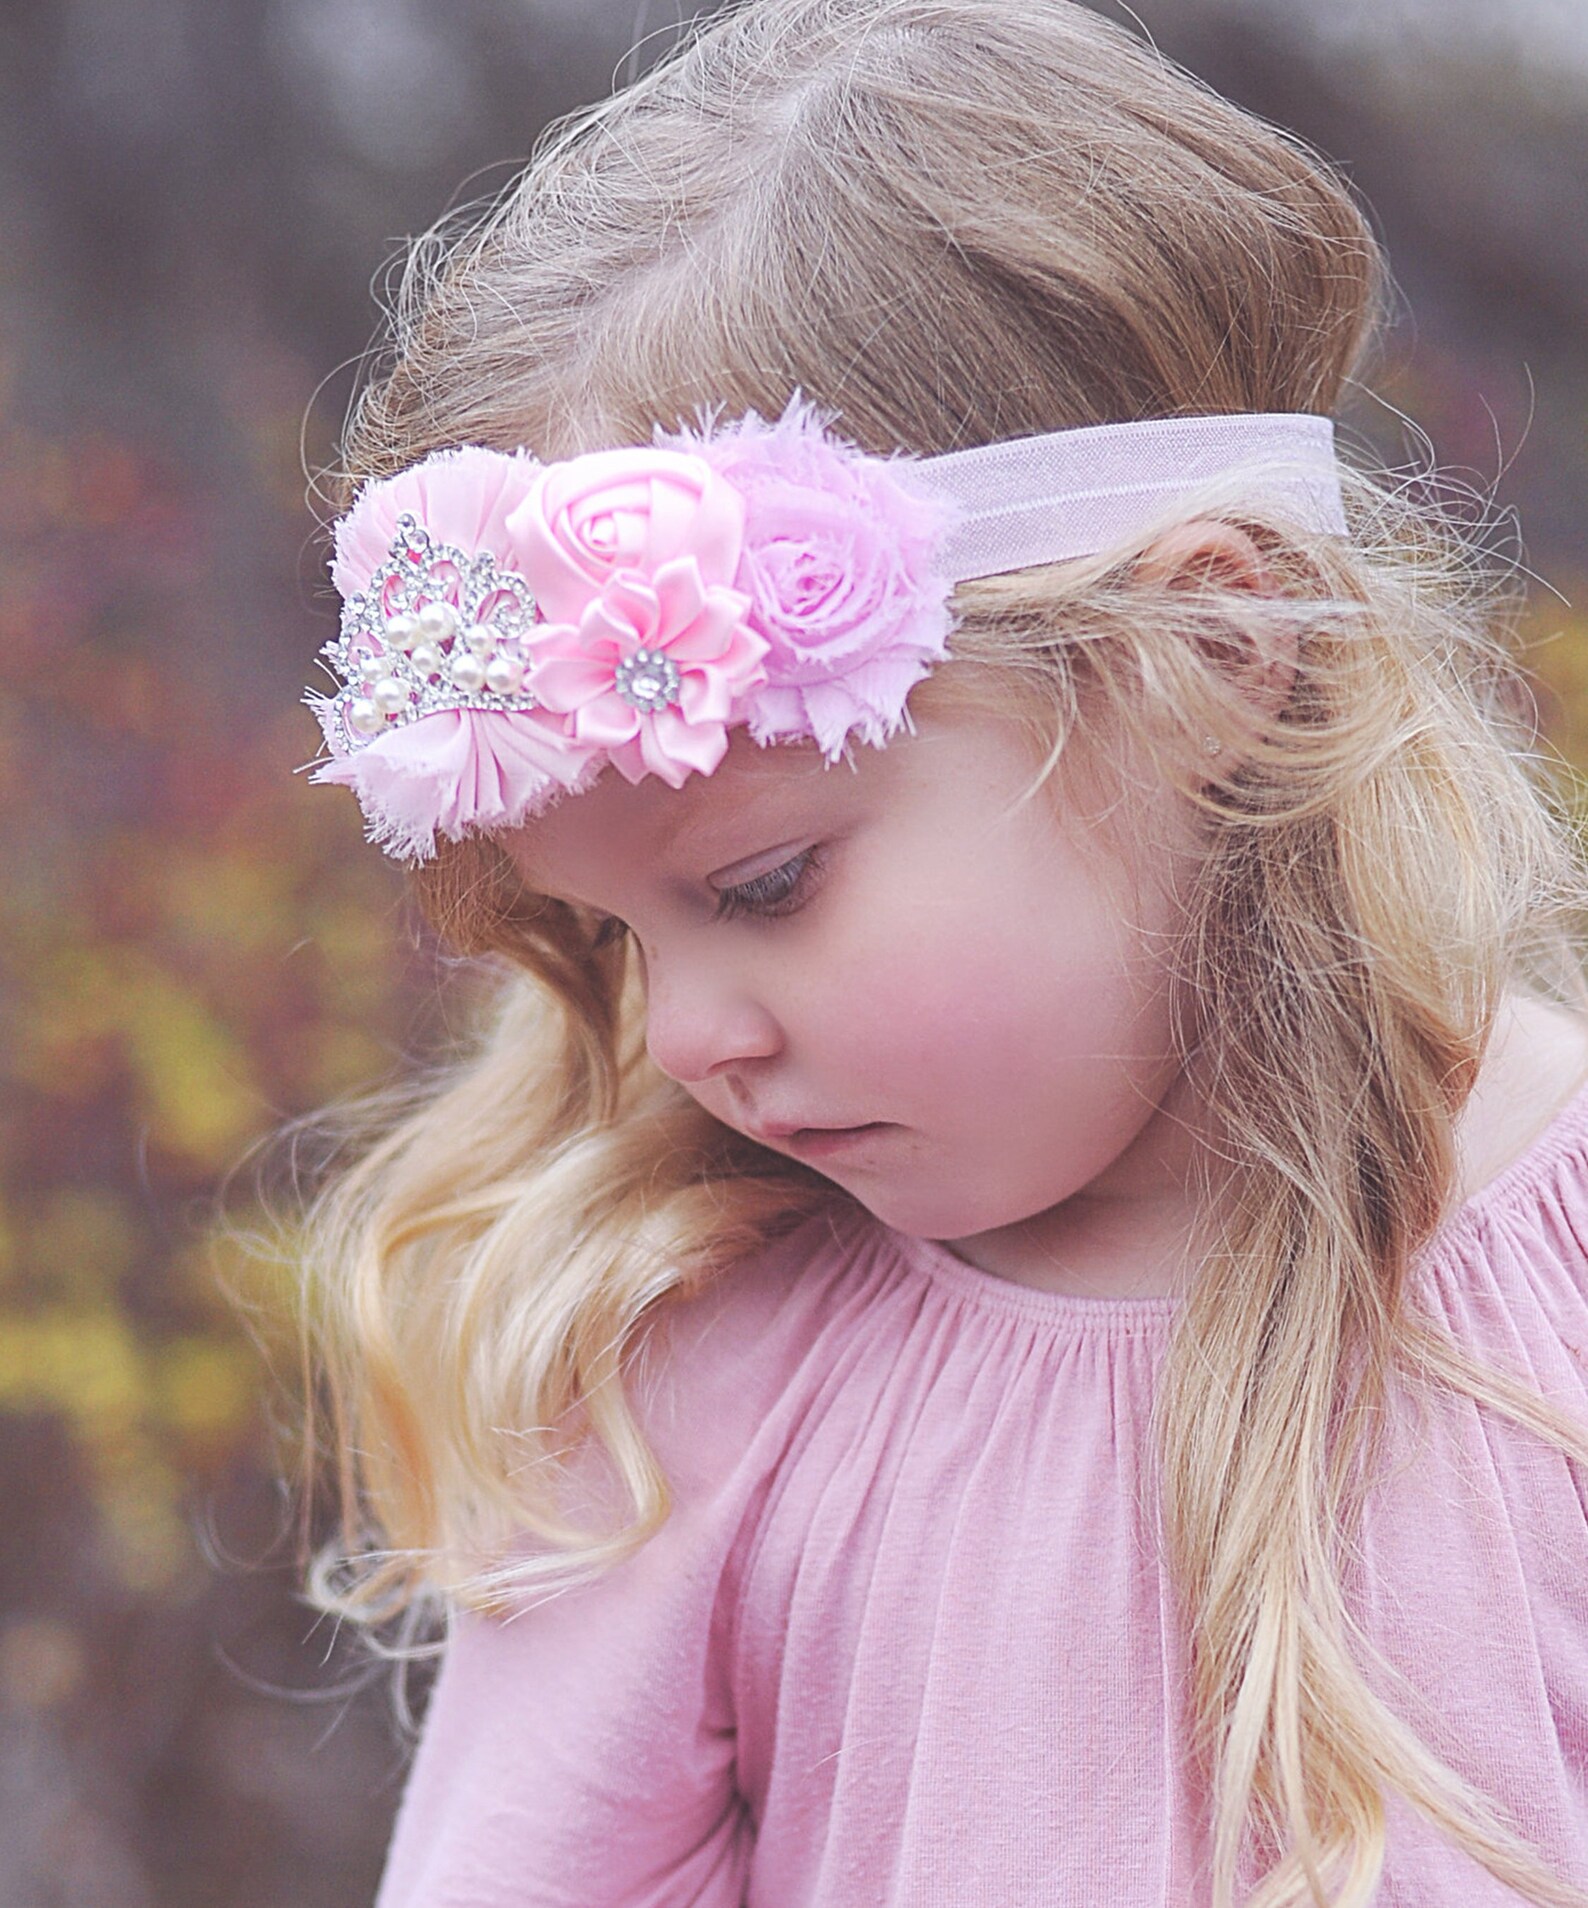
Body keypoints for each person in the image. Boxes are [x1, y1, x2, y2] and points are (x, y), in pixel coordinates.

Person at [290, 1, 1588, 1902]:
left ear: (1206, 656)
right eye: (601, 933)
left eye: (759, 887)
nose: (682, 1044)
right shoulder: (693, 1393)